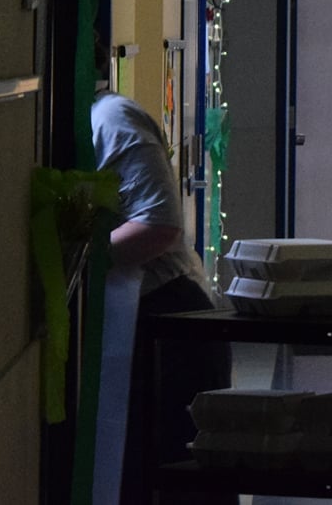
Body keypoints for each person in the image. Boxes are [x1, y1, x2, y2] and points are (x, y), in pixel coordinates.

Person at [93, 62, 230, 502]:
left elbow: (157, 224)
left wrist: (75, 263)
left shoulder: (111, 119)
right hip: (138, 317)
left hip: (168, 321)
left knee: (179, 477)